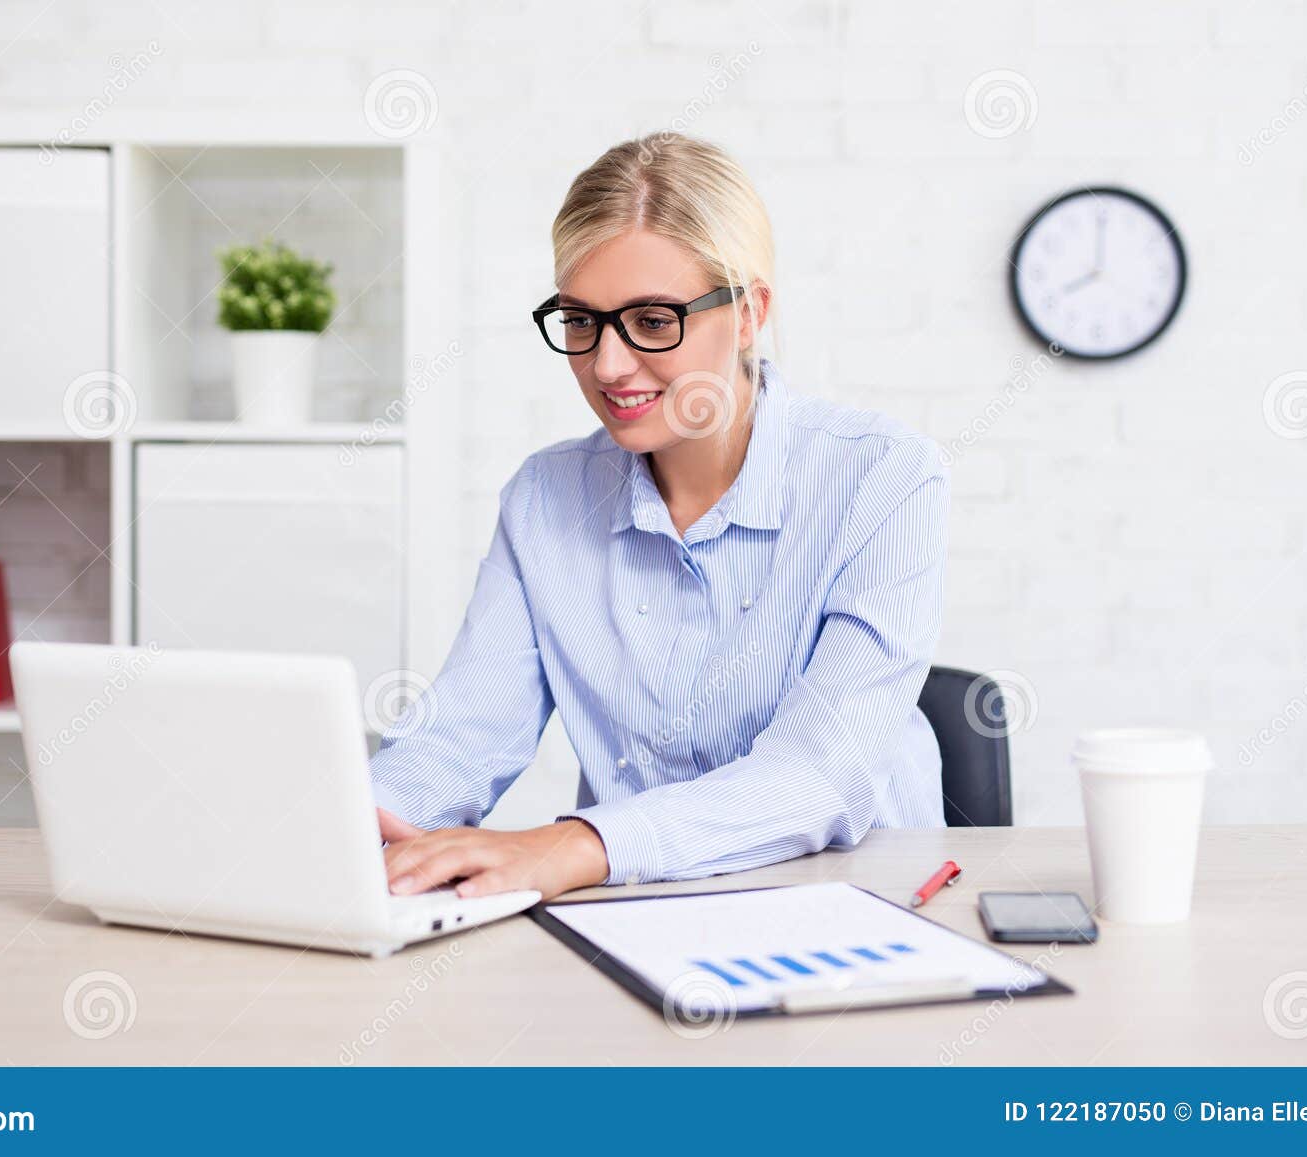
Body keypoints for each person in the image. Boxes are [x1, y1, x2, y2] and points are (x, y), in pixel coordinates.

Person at [372, 131, 947, 901]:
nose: (608, 365)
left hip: (857, 913)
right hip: (633, 916)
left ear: (749, 313)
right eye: (580, 322)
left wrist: (578, 842)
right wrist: (351, 828)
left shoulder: (882, 476)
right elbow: (462, 736)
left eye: (650, 321)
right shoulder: (546, 498)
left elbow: (820, 771)